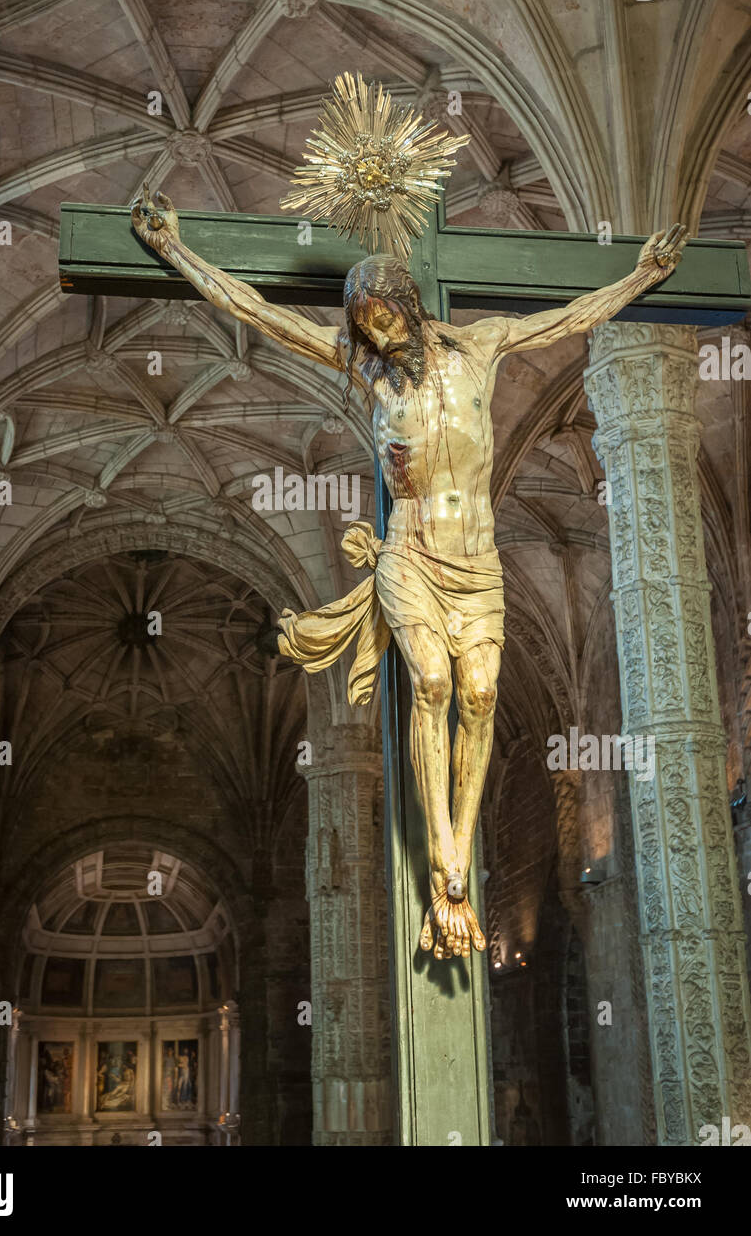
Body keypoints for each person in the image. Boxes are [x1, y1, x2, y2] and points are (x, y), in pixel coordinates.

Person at [131, 188, 686, 957]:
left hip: (476, 560)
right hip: (410, 554)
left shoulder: (479, 346)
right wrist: (177, 252)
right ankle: (447, 867)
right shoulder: (364, 372)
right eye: (362, 327)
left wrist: (639, 279)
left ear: (407, 305)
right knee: (430, 682)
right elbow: (260, 312)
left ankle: (457, 846)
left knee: (482, 692)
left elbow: (566, 319)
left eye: (381, 320)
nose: (374, 336)